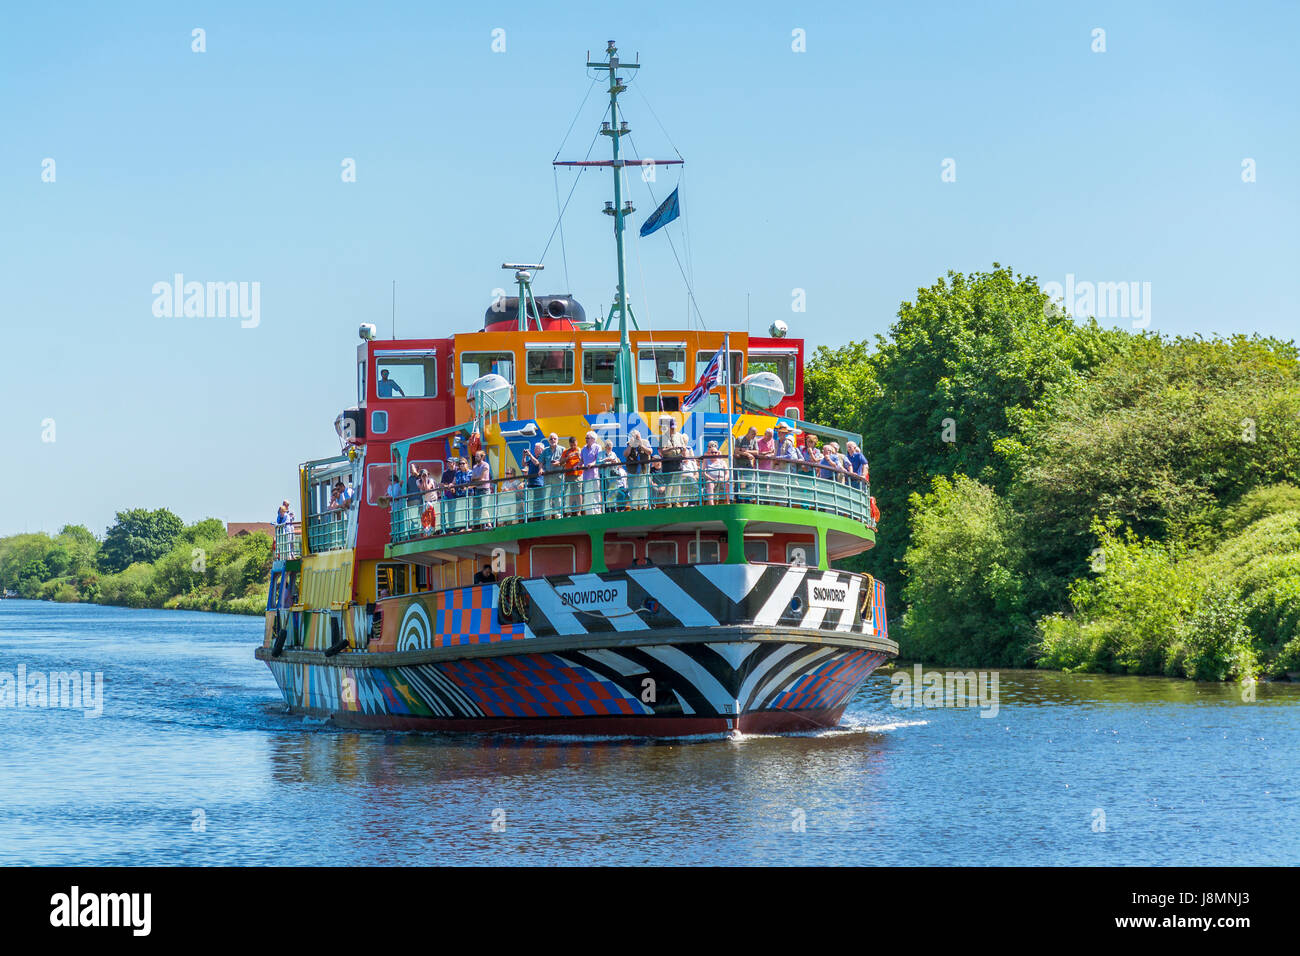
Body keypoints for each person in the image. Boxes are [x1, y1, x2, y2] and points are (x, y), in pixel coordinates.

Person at [658, 417, 690, 505]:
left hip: (677, 462)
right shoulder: (663, 437)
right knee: (669, 484)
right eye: (672, 427)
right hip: (668, 462)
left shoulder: (679, 436)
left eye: (674, 427)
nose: (673, 429)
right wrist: (672, 448)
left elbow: (684, 450)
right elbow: (662, 451)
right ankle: (668, 502)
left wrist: (683, 450)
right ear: (668, 427)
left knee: (677, 483)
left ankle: (676, 502)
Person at [624, 430, 651, 509]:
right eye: (634, 436)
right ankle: (634, 508)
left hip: (643, 470)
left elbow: (650, 452)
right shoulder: (629, 444)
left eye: (637, 436)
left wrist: (641, 444)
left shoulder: (645, 442)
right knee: (633, 490)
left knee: (643, 489)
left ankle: (643, 507)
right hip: (633, 471)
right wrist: (630, 445)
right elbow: (625, 454)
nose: (636, 438)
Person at [580, 431, 603, 514]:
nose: (586, 439)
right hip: (586, 475)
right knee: (587, 493)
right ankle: (589, 512)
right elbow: (581, 460)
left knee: (596, 492)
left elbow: (598, 460)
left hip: (594, 474)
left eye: (588, 438)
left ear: (593, 439)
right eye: (586, 438)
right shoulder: (583, 449)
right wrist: (577, 466)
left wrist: (592, 464)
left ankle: (597, 511)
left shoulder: (597, 447)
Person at [523, 441, 545, 520]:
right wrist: (524, 456)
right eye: (535, 448)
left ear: (541, 450)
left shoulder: (542, 457)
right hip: (531, 483)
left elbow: (537, 463)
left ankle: (540, 519)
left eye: (537, 448)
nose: (535, 450)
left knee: (538, 502)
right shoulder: (532, 458)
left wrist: (530, 455)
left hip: (538, 483)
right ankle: (530, 519)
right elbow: (524, 464)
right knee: (531, 503)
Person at [545, 432, 565, 518]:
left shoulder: (563, 449)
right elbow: (541, 462)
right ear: (549, 440)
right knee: (547, 497)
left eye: (554, 439)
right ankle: (548, 515)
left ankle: (558, 514)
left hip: (558, 477)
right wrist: (541, 468)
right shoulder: (545, 451)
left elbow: (566, 462)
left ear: (557, 440)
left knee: (558, 496)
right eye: (551, 439)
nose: (553, 440)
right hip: (548, 478)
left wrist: (559, 463)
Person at [471, 450, 492, 528]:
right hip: (478, 489)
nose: (475, 457)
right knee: (479, 508)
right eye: (475, 456)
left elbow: (482, 478)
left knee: (484, 508)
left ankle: (489, 524)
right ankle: (482, 525)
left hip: (485, 489)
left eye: (477, 456)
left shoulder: (486, 465)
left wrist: (477, 479)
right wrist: (478, 479)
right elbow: (472, 478)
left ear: (482, 457)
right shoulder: (474, 467)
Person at [561, 436, 583, 515]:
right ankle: (569, 511)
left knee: (578, 493)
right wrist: (567, 457)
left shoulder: (579, 450)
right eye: (572, 445)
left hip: (577, 475)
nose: (573, 447)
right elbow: (561, 462)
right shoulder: (566, 451)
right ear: (569, 444)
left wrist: (578, 455)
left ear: (576, 443)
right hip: (568, 475)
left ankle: (578, 511)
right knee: (569, 493)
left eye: (575, 445)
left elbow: (583, 460)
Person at [703, 440, 728, 504]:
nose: (714, 454)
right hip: (711, 480)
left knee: (727, 484)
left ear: (718, 453)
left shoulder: (722, 461)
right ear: (709, 453)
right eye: (712, 452)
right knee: (710, 484)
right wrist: (712, 479)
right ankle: (711, 504)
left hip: (721, 479)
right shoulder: (706, 460)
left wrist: (724, 479)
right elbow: (704, 472)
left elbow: (727, 473)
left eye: (715, 452)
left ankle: (726, 503)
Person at [755, 427, 776, 503]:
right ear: (765, 434)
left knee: (767, 484)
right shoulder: (758, 442)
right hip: (760, 467)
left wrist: (768, 453)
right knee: (760, 484)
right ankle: (760, 500)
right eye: (769, 436)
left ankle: (765, 499)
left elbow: (773, 452)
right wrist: (768, 453)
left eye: (771, 436)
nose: (770, 438)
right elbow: (758, 453)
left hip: (769, 467)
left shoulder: (772, 441)